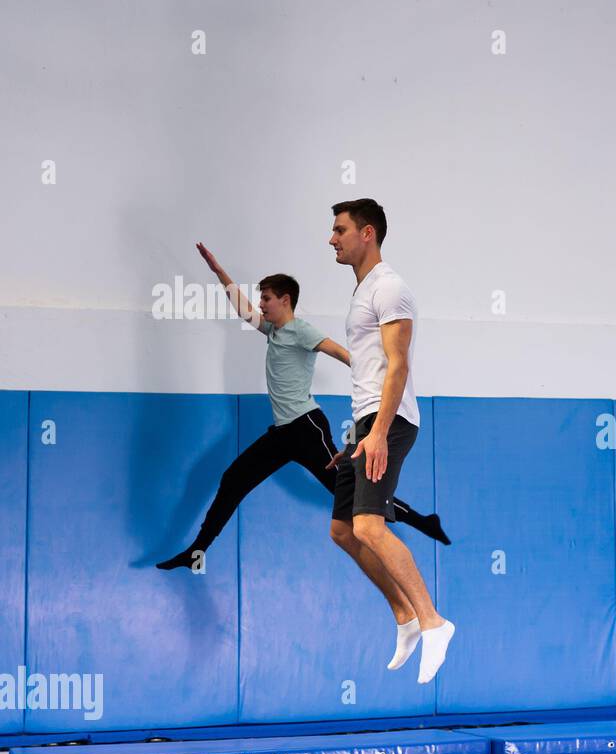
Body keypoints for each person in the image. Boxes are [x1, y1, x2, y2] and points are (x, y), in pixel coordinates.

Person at [158, 245, 449, 586]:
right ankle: (197, 553)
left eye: (266, 298)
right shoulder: (273, 331)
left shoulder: (301, 330)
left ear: (285, 300)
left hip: (307, 429)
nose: (261, 305)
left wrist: (373, 369)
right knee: (233, 479)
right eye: (260, 299)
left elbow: (339, 351)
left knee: (355, 498)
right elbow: (244, 311)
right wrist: (219, 273)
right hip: (283, 434)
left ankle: (423, 521)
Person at [327, 197, 454, 685]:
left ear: (368, 233)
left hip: (392, 421)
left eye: (339, 230)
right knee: (343, 530)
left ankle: (434, 622)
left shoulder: (391, 288)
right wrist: (357, 435)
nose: (331, 239)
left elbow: (398, 366)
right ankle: (404, 616)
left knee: (370, 527)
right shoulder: (362, 293)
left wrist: (378, 432)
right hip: (366, 423)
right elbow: (367, 366)